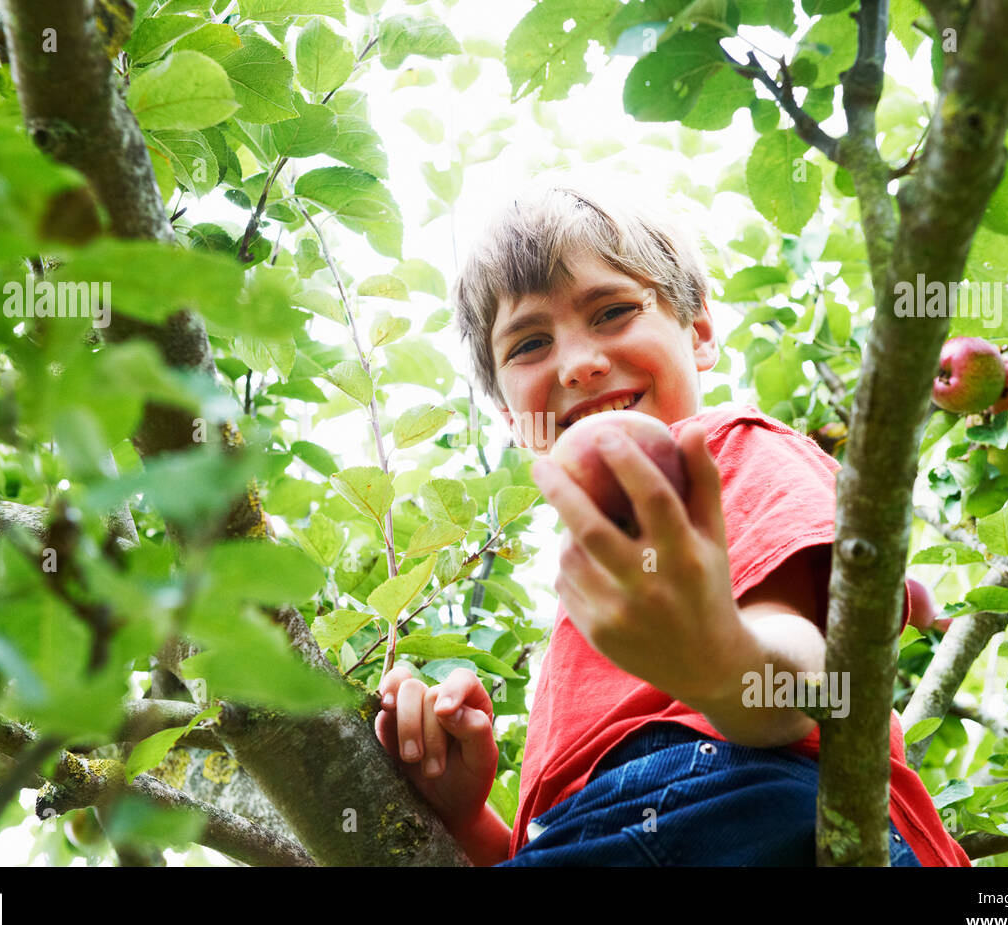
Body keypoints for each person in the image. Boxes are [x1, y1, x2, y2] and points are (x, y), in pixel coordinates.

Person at [374, 180, 970, 867]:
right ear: (510, 418)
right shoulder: (594, 598)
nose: (578, 364)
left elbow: (814, 678)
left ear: (701, 331)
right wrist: (463, 820)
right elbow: (583, 836)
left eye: (613, 311)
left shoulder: (724, 451)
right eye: (530, 343)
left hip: (756, 806)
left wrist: (725, 664)